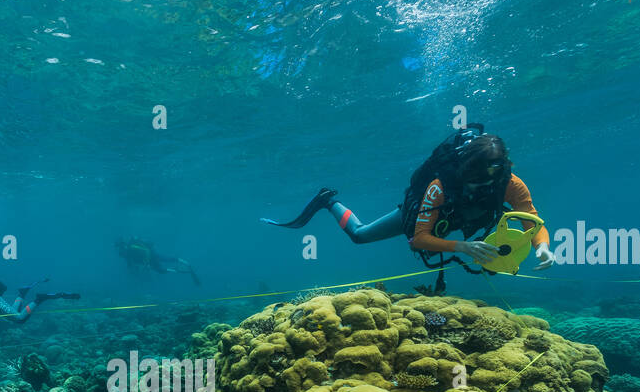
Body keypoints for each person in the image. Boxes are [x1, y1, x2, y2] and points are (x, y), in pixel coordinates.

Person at [263, 124, 554, 295]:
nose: (477, 188)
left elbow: (534, 224)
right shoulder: (439, 185)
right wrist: (462, 246)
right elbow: (419, 239)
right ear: (465, 170)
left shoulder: (512, 184)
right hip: (423, 215)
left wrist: (542, 248)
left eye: (486, 183)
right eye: (473, 181)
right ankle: (329, 200)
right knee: (361, 235)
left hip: (457, 222)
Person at [115, 238, 201, 285]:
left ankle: (185, 263)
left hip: (151, 256)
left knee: (165, 261)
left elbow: (146, 251)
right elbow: (130, 264)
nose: (121, 251)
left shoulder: (132, 247)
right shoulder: (127, 254)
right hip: (149, 260)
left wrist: (146, 263)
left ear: (123, 246)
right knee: (162, 267)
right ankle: (181, 269)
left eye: (121, 248)